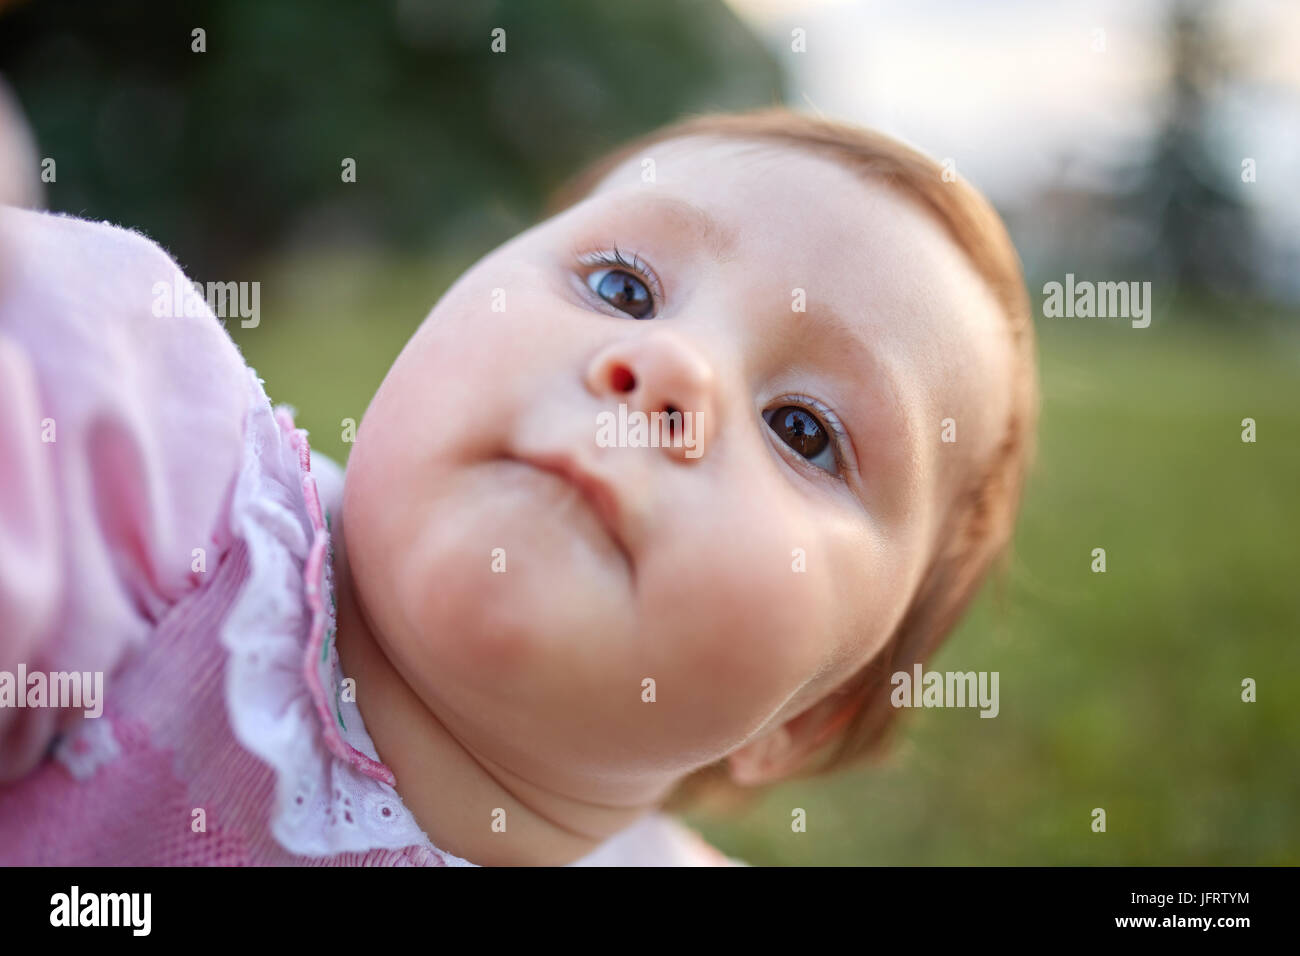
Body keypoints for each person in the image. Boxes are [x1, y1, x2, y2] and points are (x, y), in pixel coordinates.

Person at [0, 107, 1036, 866]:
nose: (675, 367)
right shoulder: (149, 473)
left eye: (802, 430)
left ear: (803, 721)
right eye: (622, 287)